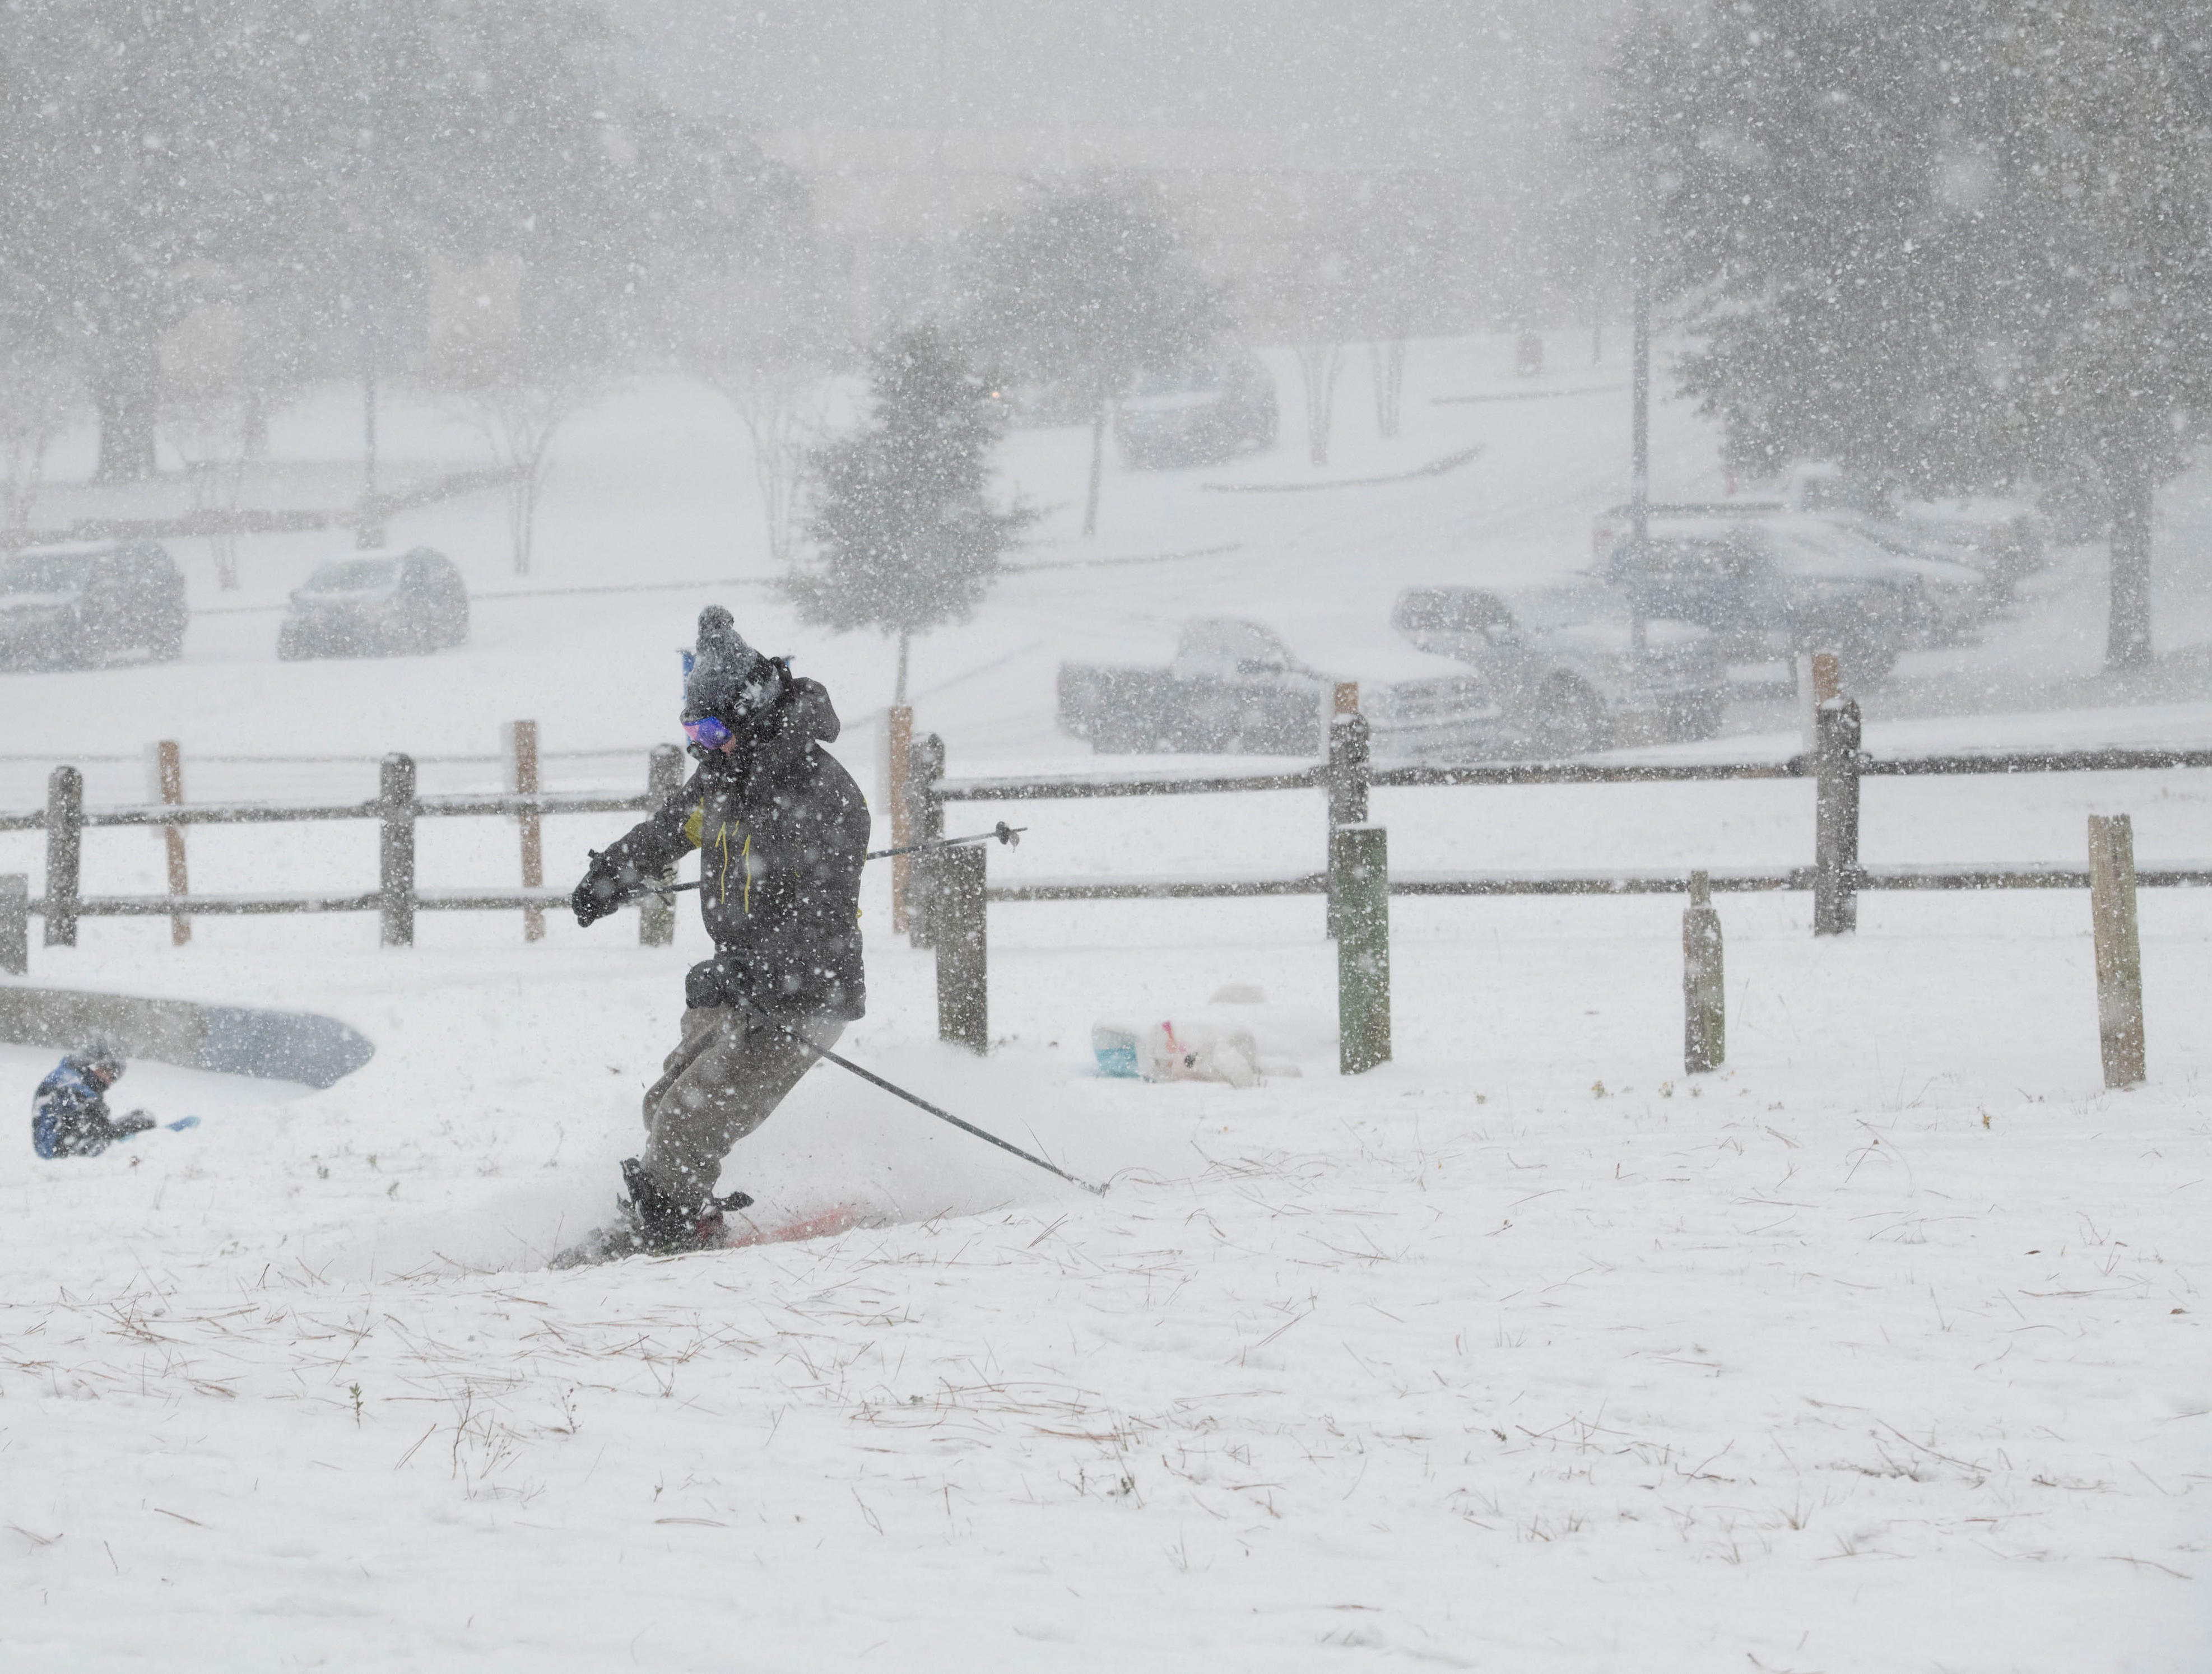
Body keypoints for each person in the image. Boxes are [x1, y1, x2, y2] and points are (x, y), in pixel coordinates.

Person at [560, 607, 869, 1263]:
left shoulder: (822, 795)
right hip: (737, 980)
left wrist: (755, 972)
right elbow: (673, 829)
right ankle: (685, 1213)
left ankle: (661, 1236)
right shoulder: (727, 776)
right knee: (664, 1103)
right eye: (691, 727)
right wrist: (614, 873)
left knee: (687, 1123)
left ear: (753, 710)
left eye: (712, 727)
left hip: (804, 993)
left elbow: (824, 922)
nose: (702, 741)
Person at [32, 1036, 156, 1159]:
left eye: (114, 1078)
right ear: (93, 1064)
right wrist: (119, 1128)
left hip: (64, 1145)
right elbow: (84, 1122)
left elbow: (96, 1125)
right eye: (107, 1071)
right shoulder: (69, 1081)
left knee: (138, 1120)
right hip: (59, 1149)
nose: (108, 1081)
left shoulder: (80, 1082)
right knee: (136, 1126)